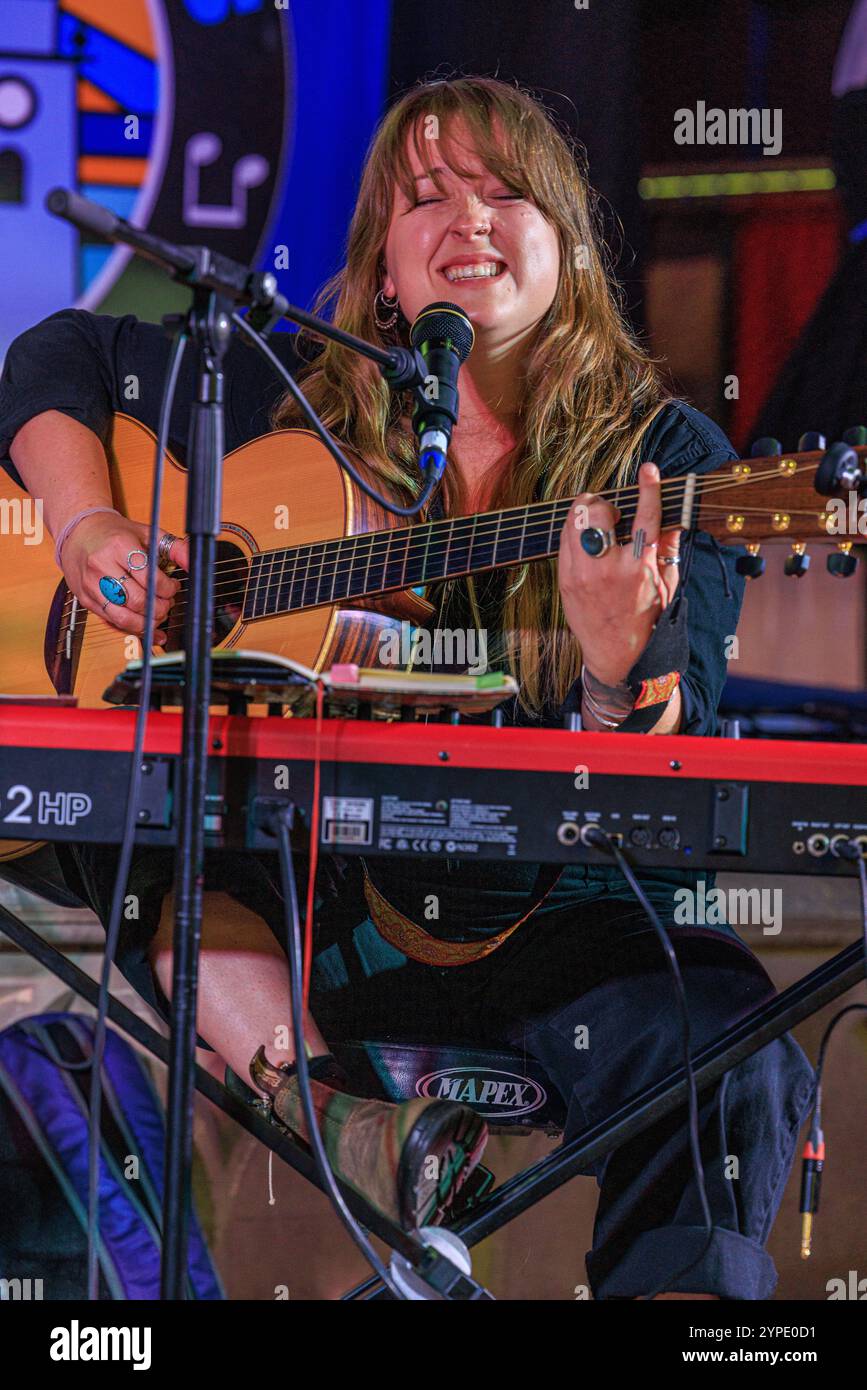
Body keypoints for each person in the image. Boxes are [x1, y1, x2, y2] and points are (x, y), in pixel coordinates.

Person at [0, 77, 815, 1297]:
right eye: (428, 196)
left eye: (507, 195)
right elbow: (56, 352)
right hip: (320, 915)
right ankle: (355, 1135)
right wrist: (87, 525)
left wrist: (612, 670)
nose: (469, 219)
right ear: (385, 267)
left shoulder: (668, 463)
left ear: (571, 249)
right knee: (172, 839)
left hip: (551, 934)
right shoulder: (292, 407)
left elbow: (666, 764)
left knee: (733, 1051)